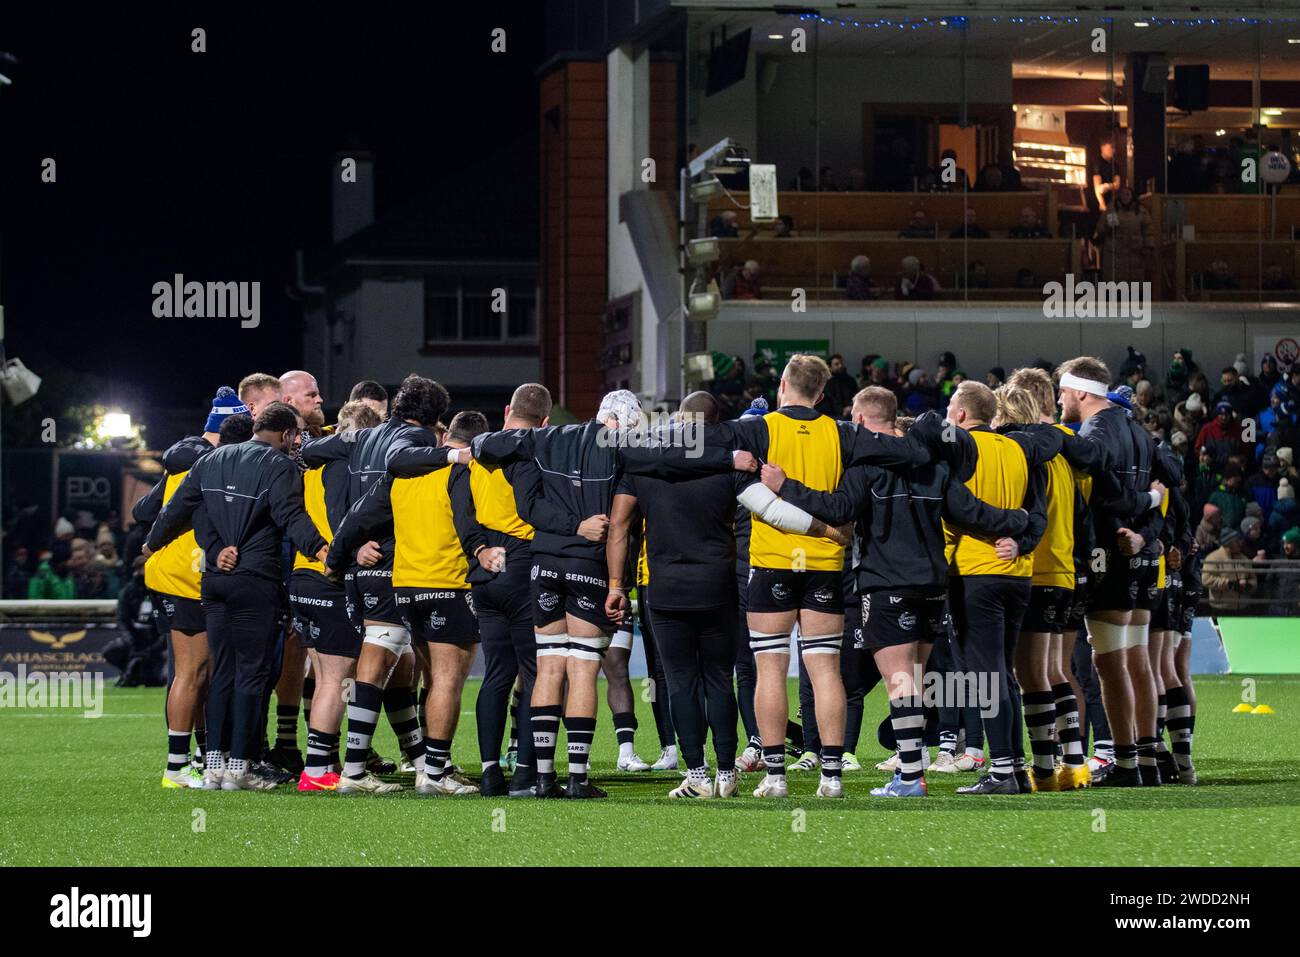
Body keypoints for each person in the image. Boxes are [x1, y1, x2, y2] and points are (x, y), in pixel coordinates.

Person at [466, 388, 748, 799]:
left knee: (546, 669)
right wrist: (726, 458)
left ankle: (543, 778)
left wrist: (470, 449)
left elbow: (497, 463)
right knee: (582, 669)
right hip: (589, 568)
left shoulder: (546, 438)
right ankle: (577, 778)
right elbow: (659, 474)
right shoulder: (623, 448)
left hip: (543, 567)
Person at [762, 386, 1029, 797]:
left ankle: (909, 777)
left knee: (900, 682)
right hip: (934, 585)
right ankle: (913, 769)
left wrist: (785, 486)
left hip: (887, 585)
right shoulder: (934, 468)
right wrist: (1022, 523)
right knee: (915, 679)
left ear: (864, 420)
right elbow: (972, 513)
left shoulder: (865, 466)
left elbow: (837, 510)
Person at [605, 391, 848, 798]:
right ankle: (726, 773)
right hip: (718, 584)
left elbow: (617, 527)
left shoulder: (645, 465)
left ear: (679, 419)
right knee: (720, 679)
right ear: (719, 424)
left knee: (681, 682)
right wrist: (826, 531)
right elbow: (774, 512)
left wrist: (616, 585)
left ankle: (696, 776)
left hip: (665, 587)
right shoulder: (729, 466)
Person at [712, 355, 930, 799]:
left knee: (770, 667)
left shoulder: (758, 428)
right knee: (825, 669)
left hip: (772, 560)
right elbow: (910, 451)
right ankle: (831, 777)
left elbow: (705, 455)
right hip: (827, 565)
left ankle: (775, 776)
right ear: (822, 393)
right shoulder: (844, 432)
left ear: (784, 384)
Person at [144, 402, 329, 791]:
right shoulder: (279, 465)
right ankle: (240, 767)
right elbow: (289, 514)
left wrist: (155, 543)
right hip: (255, 581)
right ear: (283, 435)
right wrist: (322, 550)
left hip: (214, 582)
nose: (297, 441)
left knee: (222, 672)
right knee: (252, 673)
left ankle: (214, 765)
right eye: (294, 435)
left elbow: (181, 511)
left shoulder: (211, 461)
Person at [303, 374, 453, 793]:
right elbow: (396, 473)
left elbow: (313, 451)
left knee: (392, 661)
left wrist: (344, 550)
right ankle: (360, 770)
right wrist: (453, 457)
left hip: (359, 564)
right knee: (393, 658)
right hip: (391, 561)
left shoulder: (361, 438)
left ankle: (414, 760)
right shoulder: (414, 443)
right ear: (434, 418)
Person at [908, 381, 1057, 794]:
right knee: (1003, 673)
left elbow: (955, 505)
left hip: (974, 573)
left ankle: (1004, 772)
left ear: (958, 415)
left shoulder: (956, 448)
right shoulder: (1022, 449)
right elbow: (1038, 514)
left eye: (950, 407)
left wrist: (1005, 527)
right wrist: (1021, 538)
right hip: (1018, 573)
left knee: (987, 677)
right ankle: (1017, 768)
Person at [332, 410, 489, 796]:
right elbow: (471, 524)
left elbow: (358, 517)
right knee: (446, 680)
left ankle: (424, 764)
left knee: (430, 676)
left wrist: (336, 560)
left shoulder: (402, 473)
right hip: (448, 584)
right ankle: (434, 773)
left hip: (404, 589)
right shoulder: (463, 473)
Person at [1056, 357, 1174, 788]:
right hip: (1139, 556)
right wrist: (1146, 533)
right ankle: (1145, 756)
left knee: (1108, 663)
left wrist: (1139, 510)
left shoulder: (1095, 433)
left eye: (1064, 393)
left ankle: (1125, 762)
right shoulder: (1140, 434)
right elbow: (1162, 494)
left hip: (1108, 556)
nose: (1060, 401)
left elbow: (1108, 499)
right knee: (1134, 658)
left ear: (1082, 393)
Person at [132, 385, 247, 788]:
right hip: (182, 575)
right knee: (192, 671)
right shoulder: (203, 459)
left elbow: (142, 510)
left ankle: (194, 758)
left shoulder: (190, 461)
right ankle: (176, 768)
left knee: (204, 671)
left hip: (183, 574)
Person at [288, 400, 380, 791]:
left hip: (300, 575)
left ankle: (323, 762)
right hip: (329, 577)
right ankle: (317, 771)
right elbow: (343, 518)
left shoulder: (311, 464)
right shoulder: (346, 467)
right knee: (335, 679)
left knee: (324, 676)